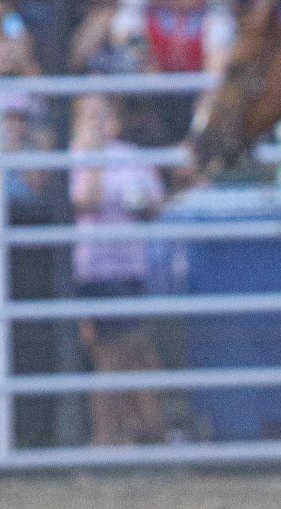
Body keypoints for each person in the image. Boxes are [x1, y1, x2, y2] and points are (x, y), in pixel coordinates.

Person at [70, 93, 169, 445]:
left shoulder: (131, 156)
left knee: (138, 352)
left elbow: (155, 202)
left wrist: (142, 203)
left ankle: (143, 431)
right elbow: (86, 201)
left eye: (104, 113)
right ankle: (109, 436)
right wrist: (94, 157)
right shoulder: (74, 157)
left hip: (131, 266)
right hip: (95, 270)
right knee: (116, 350)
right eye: (90, 114)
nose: (98, 121)